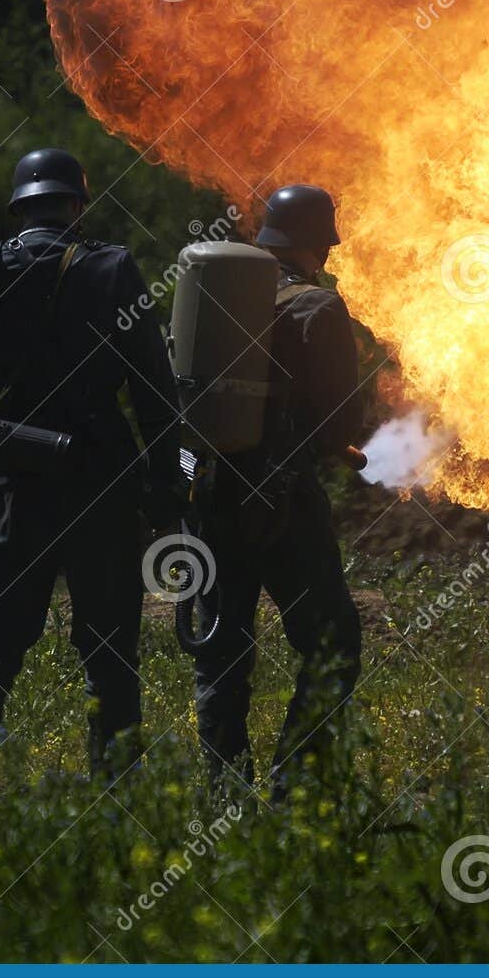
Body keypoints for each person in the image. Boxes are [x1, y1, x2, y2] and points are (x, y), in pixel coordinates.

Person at [0, 148, 182, 776]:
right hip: (100, 484)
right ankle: (118, 782)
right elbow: (156, 394)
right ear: (77, 205)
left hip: (8, 484)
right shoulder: (112, 269)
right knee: (108, 648)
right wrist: (170, 485)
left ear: (20, 206)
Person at [193, 184, 365, 800]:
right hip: (284, 500)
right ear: (321, 242)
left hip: (210, 495)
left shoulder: (212, 293)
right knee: (333, 644)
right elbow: (341, 424)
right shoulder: (318, 306)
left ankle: (225, 795)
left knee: (220, 650)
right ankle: (294, 787)